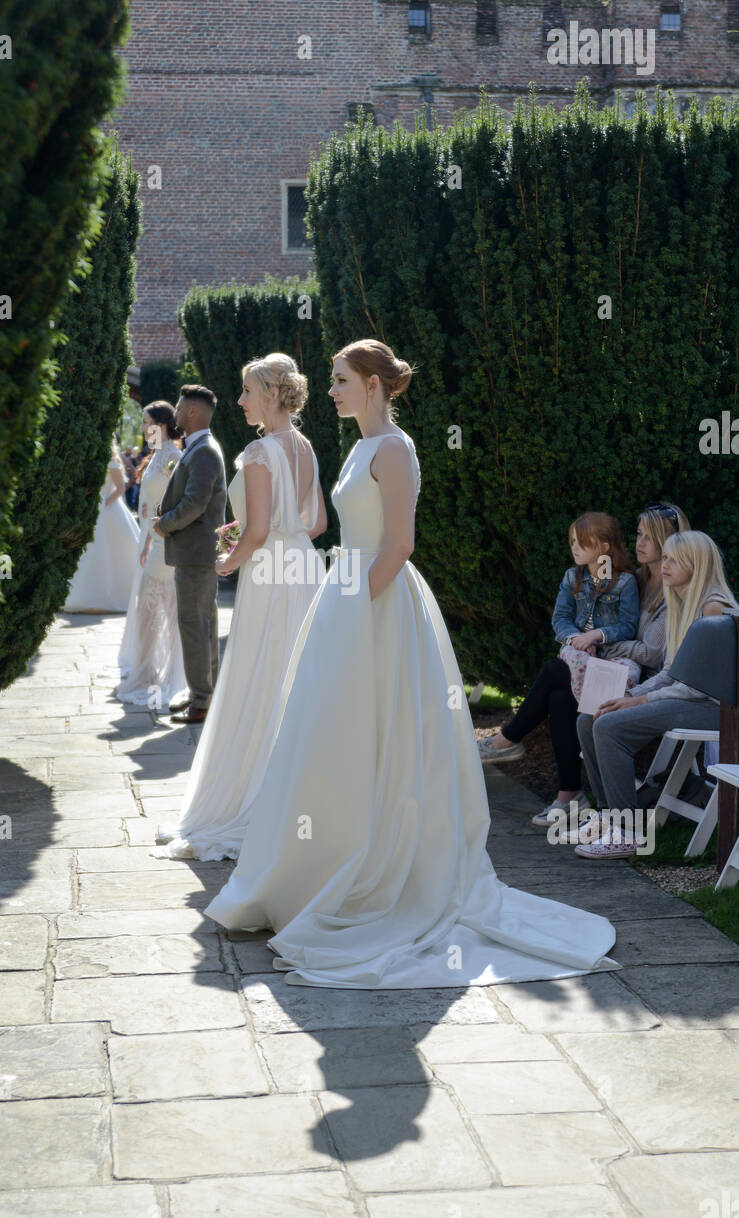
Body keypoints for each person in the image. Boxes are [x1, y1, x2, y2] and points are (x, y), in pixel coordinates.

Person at [206, 339, 617, 989]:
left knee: (381, 734)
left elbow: (398, 544)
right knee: (324, 738)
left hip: (378, 606)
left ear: (373, 384)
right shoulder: (358, 446)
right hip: (346, 595)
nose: (331, 389)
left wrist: (353, 616)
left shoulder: (394, 448)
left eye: (341, 380)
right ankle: (311, 872)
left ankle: (381, 879)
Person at [152, 354, 327, 860]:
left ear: (272, 394)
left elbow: (255, 532)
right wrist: (260, 533)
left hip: (269, 575)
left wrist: (228, 562)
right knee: (296, 676)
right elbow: (313, 523)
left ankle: (252, 794)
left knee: (259, 673)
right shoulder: (305, 446)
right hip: (304, 568)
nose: (240, 399)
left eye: (247, 390)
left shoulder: (256, 452)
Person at [481, 505, 689, 828]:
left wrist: (598, 639)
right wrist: (585, 639)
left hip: (638, 680)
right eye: (638, 534)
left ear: (668, 543)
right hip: (608, 667)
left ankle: (511, 741)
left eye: (650, 537)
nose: (640, 543)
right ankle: (568, 796)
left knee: (556, 674)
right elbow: (565, 619)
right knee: (558, 694)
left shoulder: (668, 591)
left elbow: (650, 652)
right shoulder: (642, 579)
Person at [573, 529, 739, 859]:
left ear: (698, 563)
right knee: (590, 716)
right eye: (665, 557)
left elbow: (698, 686)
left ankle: (627, 832)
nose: (665, 565)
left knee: (609, 727)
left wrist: (639, 700)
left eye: (675, 559)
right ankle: (610, 818)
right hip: (689, 699)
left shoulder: (714, 608)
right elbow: (671, 672)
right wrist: (632, 694)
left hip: (718, 708)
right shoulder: (682, 602)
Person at [153, 384, 227, 724]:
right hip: (196, 553)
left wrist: (164, 524)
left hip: (196, 554)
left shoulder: (204, 452)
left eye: (181, 407)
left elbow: (194, 504)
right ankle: (204, 694)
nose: (177, 412)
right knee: (203, 624)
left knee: (194, 625)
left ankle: (201, 700)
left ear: (193, 413)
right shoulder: (198, 448)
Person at [116, 402, 187, 709]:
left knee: (161, 612)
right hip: (150, 539)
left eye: (147, 422)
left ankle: (166, 676)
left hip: (165, 543)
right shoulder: (157, 455)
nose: (144, 428)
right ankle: (147, 671)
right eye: (143, 422)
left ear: (163, 424)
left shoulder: (175, 457)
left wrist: (157, 517)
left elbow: (180, 501)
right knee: (148, 610)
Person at [64, 439, 140, 612]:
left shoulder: (112, 463)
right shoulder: (92, 462)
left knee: (111, 551)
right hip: (95, 508)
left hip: (109, 508)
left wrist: (106, 503)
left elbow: (121, 487)